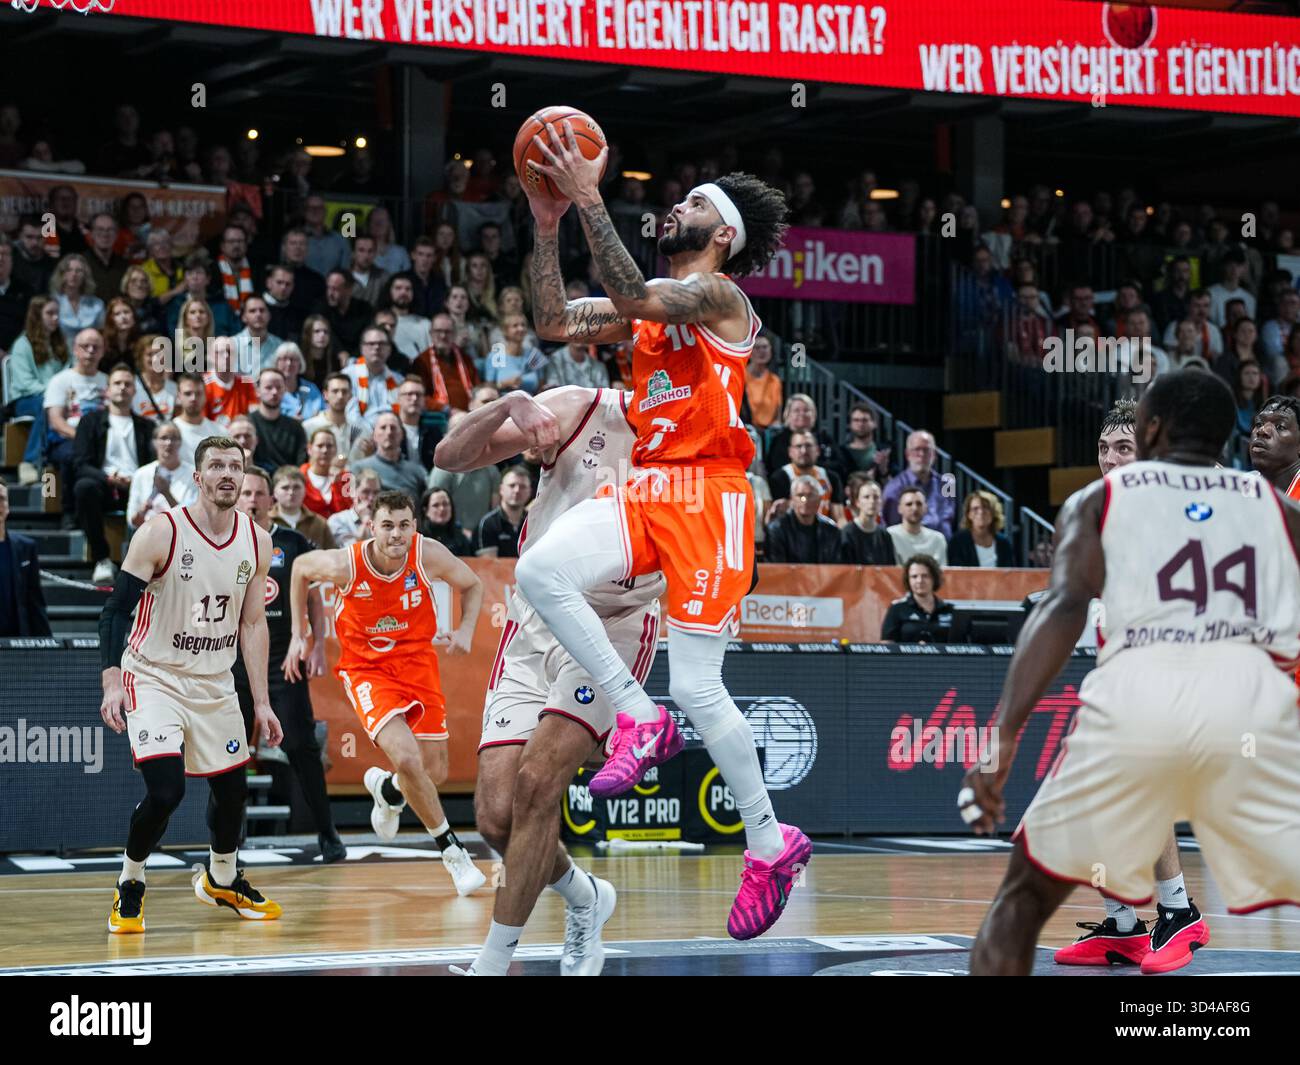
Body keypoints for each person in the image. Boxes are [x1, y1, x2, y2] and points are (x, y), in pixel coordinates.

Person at [513, 127, 810, 946]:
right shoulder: (647, 299)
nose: (676, 204)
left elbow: (640, 299)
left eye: (696, 204)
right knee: (541, 570)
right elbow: (550, 319)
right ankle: (637, 718)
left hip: (711, 496)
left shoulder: (721, 299)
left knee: (703, 689)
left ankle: (767, 842)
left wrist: (587, 197)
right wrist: (546, 224)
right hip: (651, 484)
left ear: (721, 237)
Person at [962, 371, 1300, 976]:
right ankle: (1127, 922)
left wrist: (1005, 732)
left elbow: (1059, 610)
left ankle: (1175, 913)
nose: (1115, 456)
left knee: (1019, 898)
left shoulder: (1103, 503)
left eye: (1127, 441)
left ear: (1149, 433)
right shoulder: (1269, 505)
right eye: (1105, 448)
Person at [433, 385, 665, 976]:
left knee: (538, 783)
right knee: (494, 818)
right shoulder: (582, 406)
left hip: (615, 625)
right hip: (535, 621)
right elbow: (449, 457)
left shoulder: (696, 439)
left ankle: (491, 964)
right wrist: (508, 403)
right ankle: (587, 897)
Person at [98, 436, 283, 934]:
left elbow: (252, 624)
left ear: (244, 479)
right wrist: (113, 680)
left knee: (233, 789)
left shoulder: (257, 541)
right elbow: (115, 610)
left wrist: (261, 701)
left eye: (235, 466)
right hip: (154, 675)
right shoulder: (161, 533)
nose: (227, 474)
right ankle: (131, 881)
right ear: (197, 478)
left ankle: (222, 878)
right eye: (217, 466)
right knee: (167, 791)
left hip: (214, 680)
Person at [285, 491, 486, 895]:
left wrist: (464, 630)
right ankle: (453, 853)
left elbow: (473, 584)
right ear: (371, 527)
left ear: (415, 526)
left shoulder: (426, 554)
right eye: (388, 525)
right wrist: (299, 633)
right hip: (367, 671)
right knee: (408, 757)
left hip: (418, 665)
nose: (397, 534)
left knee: (433, 773)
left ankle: (388, 789)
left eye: (404, 525)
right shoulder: (346, 563)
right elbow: (300, 569)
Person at [232, 466, 345, 863]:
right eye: (245, 492)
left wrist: (316, 644)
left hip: (283, 661)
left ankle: (328, 832)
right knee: (229, 752)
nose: (251, 499)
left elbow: (314, 597)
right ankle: (227, 839)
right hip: (233, 663)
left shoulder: (293, 542)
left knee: (301, 745)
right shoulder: (219, 542)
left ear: (270, 501)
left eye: (258, 493)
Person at [74, 364, 155, 584]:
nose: (122, 388)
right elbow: (81, 463)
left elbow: (155, 464)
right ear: (107, 390)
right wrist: (109, 479)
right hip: (104, 486)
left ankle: (154, 564)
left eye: (128, 384)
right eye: (117, 383)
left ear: (134, 391)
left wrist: (136, 480)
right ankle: (102, 559)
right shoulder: (89, 422)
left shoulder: (147, 426)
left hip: (137, 487)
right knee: (84, 487)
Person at [44, 328, 108, 520]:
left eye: (95, 347)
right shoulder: (60, 380)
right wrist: (82, 439)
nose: (90, 351)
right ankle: (69, 511)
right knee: (71, 456)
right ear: (75, 350)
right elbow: (55, 421)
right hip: (67, 438)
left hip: (101, 439)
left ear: (103, 351)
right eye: (85, 346)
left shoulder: (108, 380)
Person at [6, 295, 68, 484]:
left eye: (57, 313)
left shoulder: (60, 343)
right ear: (37, 316)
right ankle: (30, 461)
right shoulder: (22, 345)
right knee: (47, 404)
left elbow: (69, 371)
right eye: (49, 313)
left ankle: (56, 461)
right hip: (26, 399)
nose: (55, 318)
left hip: (56, 397)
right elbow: (25, 383)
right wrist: (55, 392)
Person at [0, 476, 52, 638]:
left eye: (1, 499)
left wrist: (47, 644)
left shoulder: (25, 547)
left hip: (16, 644)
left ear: (8, 506)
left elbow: (35, 602)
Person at [881, 430, 955, 536]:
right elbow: (891, 525)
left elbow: (949, 518)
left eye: (926, 450)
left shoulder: (948, 483)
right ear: (907, 454)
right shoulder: (894, 487)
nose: (921, 454)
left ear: (934, 454)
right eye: (917, 449)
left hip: (944, 546)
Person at [128, 421, 198, 530]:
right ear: (154, 442)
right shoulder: (141, 474)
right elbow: (132, 522)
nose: (169, 443)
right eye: (163, 438)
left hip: (182, 537)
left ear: (180, 443)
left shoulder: (194, 475)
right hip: (148, 536)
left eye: (174, 438)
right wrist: (143, 510)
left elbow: (191, 520)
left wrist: (166, 493)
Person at [767, 430, 844, 522]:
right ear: (790, 452)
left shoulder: (831, 477)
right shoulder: (779, 478)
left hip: (823, 532)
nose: (803, 451)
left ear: (818, 450)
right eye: (798, 446)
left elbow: (839, 518)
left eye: (808, 445)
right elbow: (779, 517)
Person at [764, 474, 843, 563]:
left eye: (810, 495)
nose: (804, 500)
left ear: (820, 499)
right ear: (792, 499)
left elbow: (836, 568)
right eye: (800, 495)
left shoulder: (831, 530)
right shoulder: (776, 529)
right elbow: (776, 568)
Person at [353, 411, 427, 499]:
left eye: (393, 428)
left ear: (402, 434)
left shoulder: (417, 472)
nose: (389, 432)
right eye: (383, 428)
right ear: (374, 435)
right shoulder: (359, 468)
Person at [414, 313, 479, 413]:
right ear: (431, 333)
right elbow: (420, 396)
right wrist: (447, 410)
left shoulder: (465, 359)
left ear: (454, 334)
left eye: (447, 332)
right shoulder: (422, 361)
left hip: (470, 413)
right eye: (438, 331)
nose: (443, 336)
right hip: (442, 417)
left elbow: (477, 388)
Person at [881, 555, 951, 642]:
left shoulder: (949, 609)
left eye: (925, 576)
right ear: (908, 580)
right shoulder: (897, 609)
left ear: (934, 578)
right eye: (914, 576)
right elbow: (887, 646)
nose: (919, 581)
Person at [249, 368, 308, 470]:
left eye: (279, 387)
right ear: (257, 390)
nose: (274, 392)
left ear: (285, 390)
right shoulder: (247, 424)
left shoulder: (295, 428)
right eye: (268, 387)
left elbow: (301, 464)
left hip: (288, 481)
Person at [344, 326, 405, 422]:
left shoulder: (399, 381)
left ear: (389, 349)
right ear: (362, 348)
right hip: (357, 433)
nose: (377, 347)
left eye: (382, 344)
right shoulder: (347, 377)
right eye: (371, 344)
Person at [303, 373, 369, 458]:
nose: (340, 396)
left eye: (344, 391)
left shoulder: (361, 430)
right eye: (335, 391)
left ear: (350, 396)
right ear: (325, 395)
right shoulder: (309, 427)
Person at [270, 466, 335, 549]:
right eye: (285, 488)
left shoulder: (319, 524)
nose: (291, 492)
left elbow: (332, 555)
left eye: (296, 487)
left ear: (305, 490)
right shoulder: (265, 521)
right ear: (274, 492)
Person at [475, 465, 531, 557]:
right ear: (501, 489)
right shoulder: (488, 523)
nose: (517, 490)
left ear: (529, 491)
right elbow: (487, 564)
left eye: (523, 486)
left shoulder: (534, 522)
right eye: (512, 485)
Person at [948, 490, 1015, 567]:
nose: (981, 512)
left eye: (985, 507)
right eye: (975, 508)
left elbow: (1010, 573)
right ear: (969, 514)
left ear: (993, 513)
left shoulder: (1003, 543)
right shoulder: (958, 541)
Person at [52, 254, 105, 348]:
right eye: (69, 270)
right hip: (60, 353)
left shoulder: (97, 304)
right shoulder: (53, 303)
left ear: (85, 276)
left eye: (79, 271)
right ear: (62, 274)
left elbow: (102, 334)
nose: (74, 274)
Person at [204, 336, 258, 427]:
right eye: (220, 352)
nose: (226, 356)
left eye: (230, 352)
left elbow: (256, 414)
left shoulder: (247, 382)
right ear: (210, 357)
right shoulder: (203, 384)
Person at [886, 486, 948, 565]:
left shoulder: (938, 539)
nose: (914, 508)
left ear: (925, 508)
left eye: (919, 504)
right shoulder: (889, 535)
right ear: (899, 509)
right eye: (909, 504)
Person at [172, 372, 224, 467]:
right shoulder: (169, 433)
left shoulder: (220, 432)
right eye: (188, 393)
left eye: (198, 393)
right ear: (179, 397)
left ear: (205, 396)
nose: (193, 398)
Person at [839, 479, 896, 564]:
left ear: (881, 502)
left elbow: (890, 568)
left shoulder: (885, 535)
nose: (872, 501)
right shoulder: (847, 533)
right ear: (857, 502)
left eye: (876, 497)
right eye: (866, 497)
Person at [300, 427, 352, 519]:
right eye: (320, 446)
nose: (325, 450)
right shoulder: (299, 477)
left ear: (336, 449)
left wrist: (336, 484)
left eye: (329, 446)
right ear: (309, 449)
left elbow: (347, 515)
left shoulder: (346, 478)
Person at [328, 467, 380, 547]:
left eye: (376, 492)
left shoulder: (386, 521)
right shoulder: (337, 520)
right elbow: (352, 553)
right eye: (365, 492)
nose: (371, 498)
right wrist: (365, 521)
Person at [272, 343, 324, 421]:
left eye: (293, 359)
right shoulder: (270, 389)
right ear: (276, 363)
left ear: (300, 363)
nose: (289, 363)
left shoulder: (310, 388)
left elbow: (322, 413)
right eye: (284, 359)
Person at [743, 332, 782, 431]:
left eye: (765, 347)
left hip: (769, 432)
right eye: (757, 348)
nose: (762, 351)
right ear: (749, 351)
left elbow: (778, 413)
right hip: (746, 429)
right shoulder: (741, 376)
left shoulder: (775, 380)